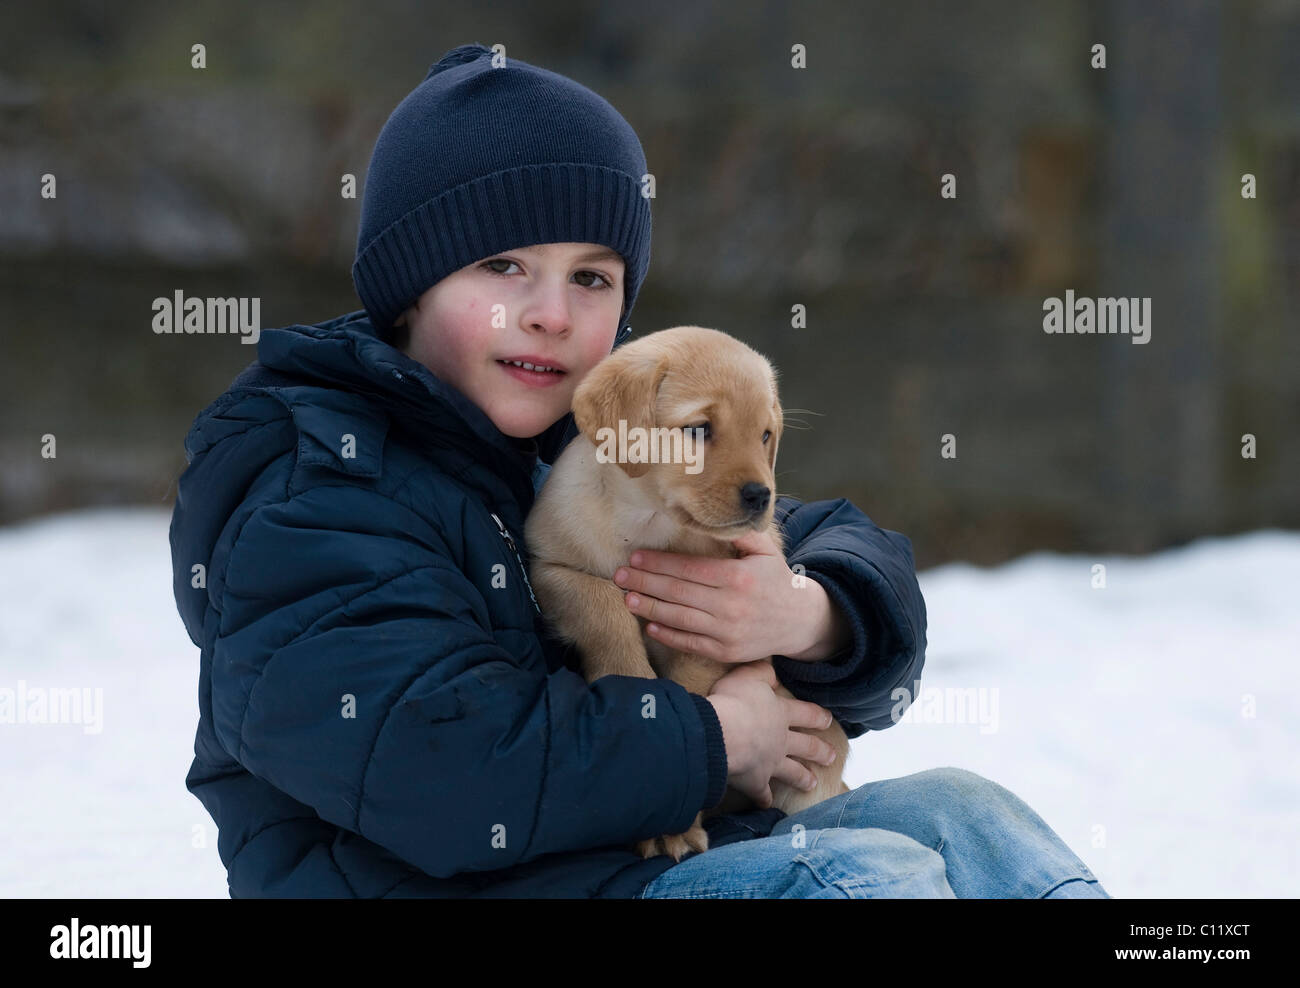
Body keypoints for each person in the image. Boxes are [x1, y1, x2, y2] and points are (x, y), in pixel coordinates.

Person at [169, 42, 1109, 898]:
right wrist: (716, 741)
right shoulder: (317, 490)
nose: (551, 314)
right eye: (504, 266)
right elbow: (442, 767)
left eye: (592, 277)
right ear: (410, 285)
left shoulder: (592, 437)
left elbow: (812, 529)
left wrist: (815, 615)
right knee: (858, 883)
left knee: (959, 815)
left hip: (639, 861)